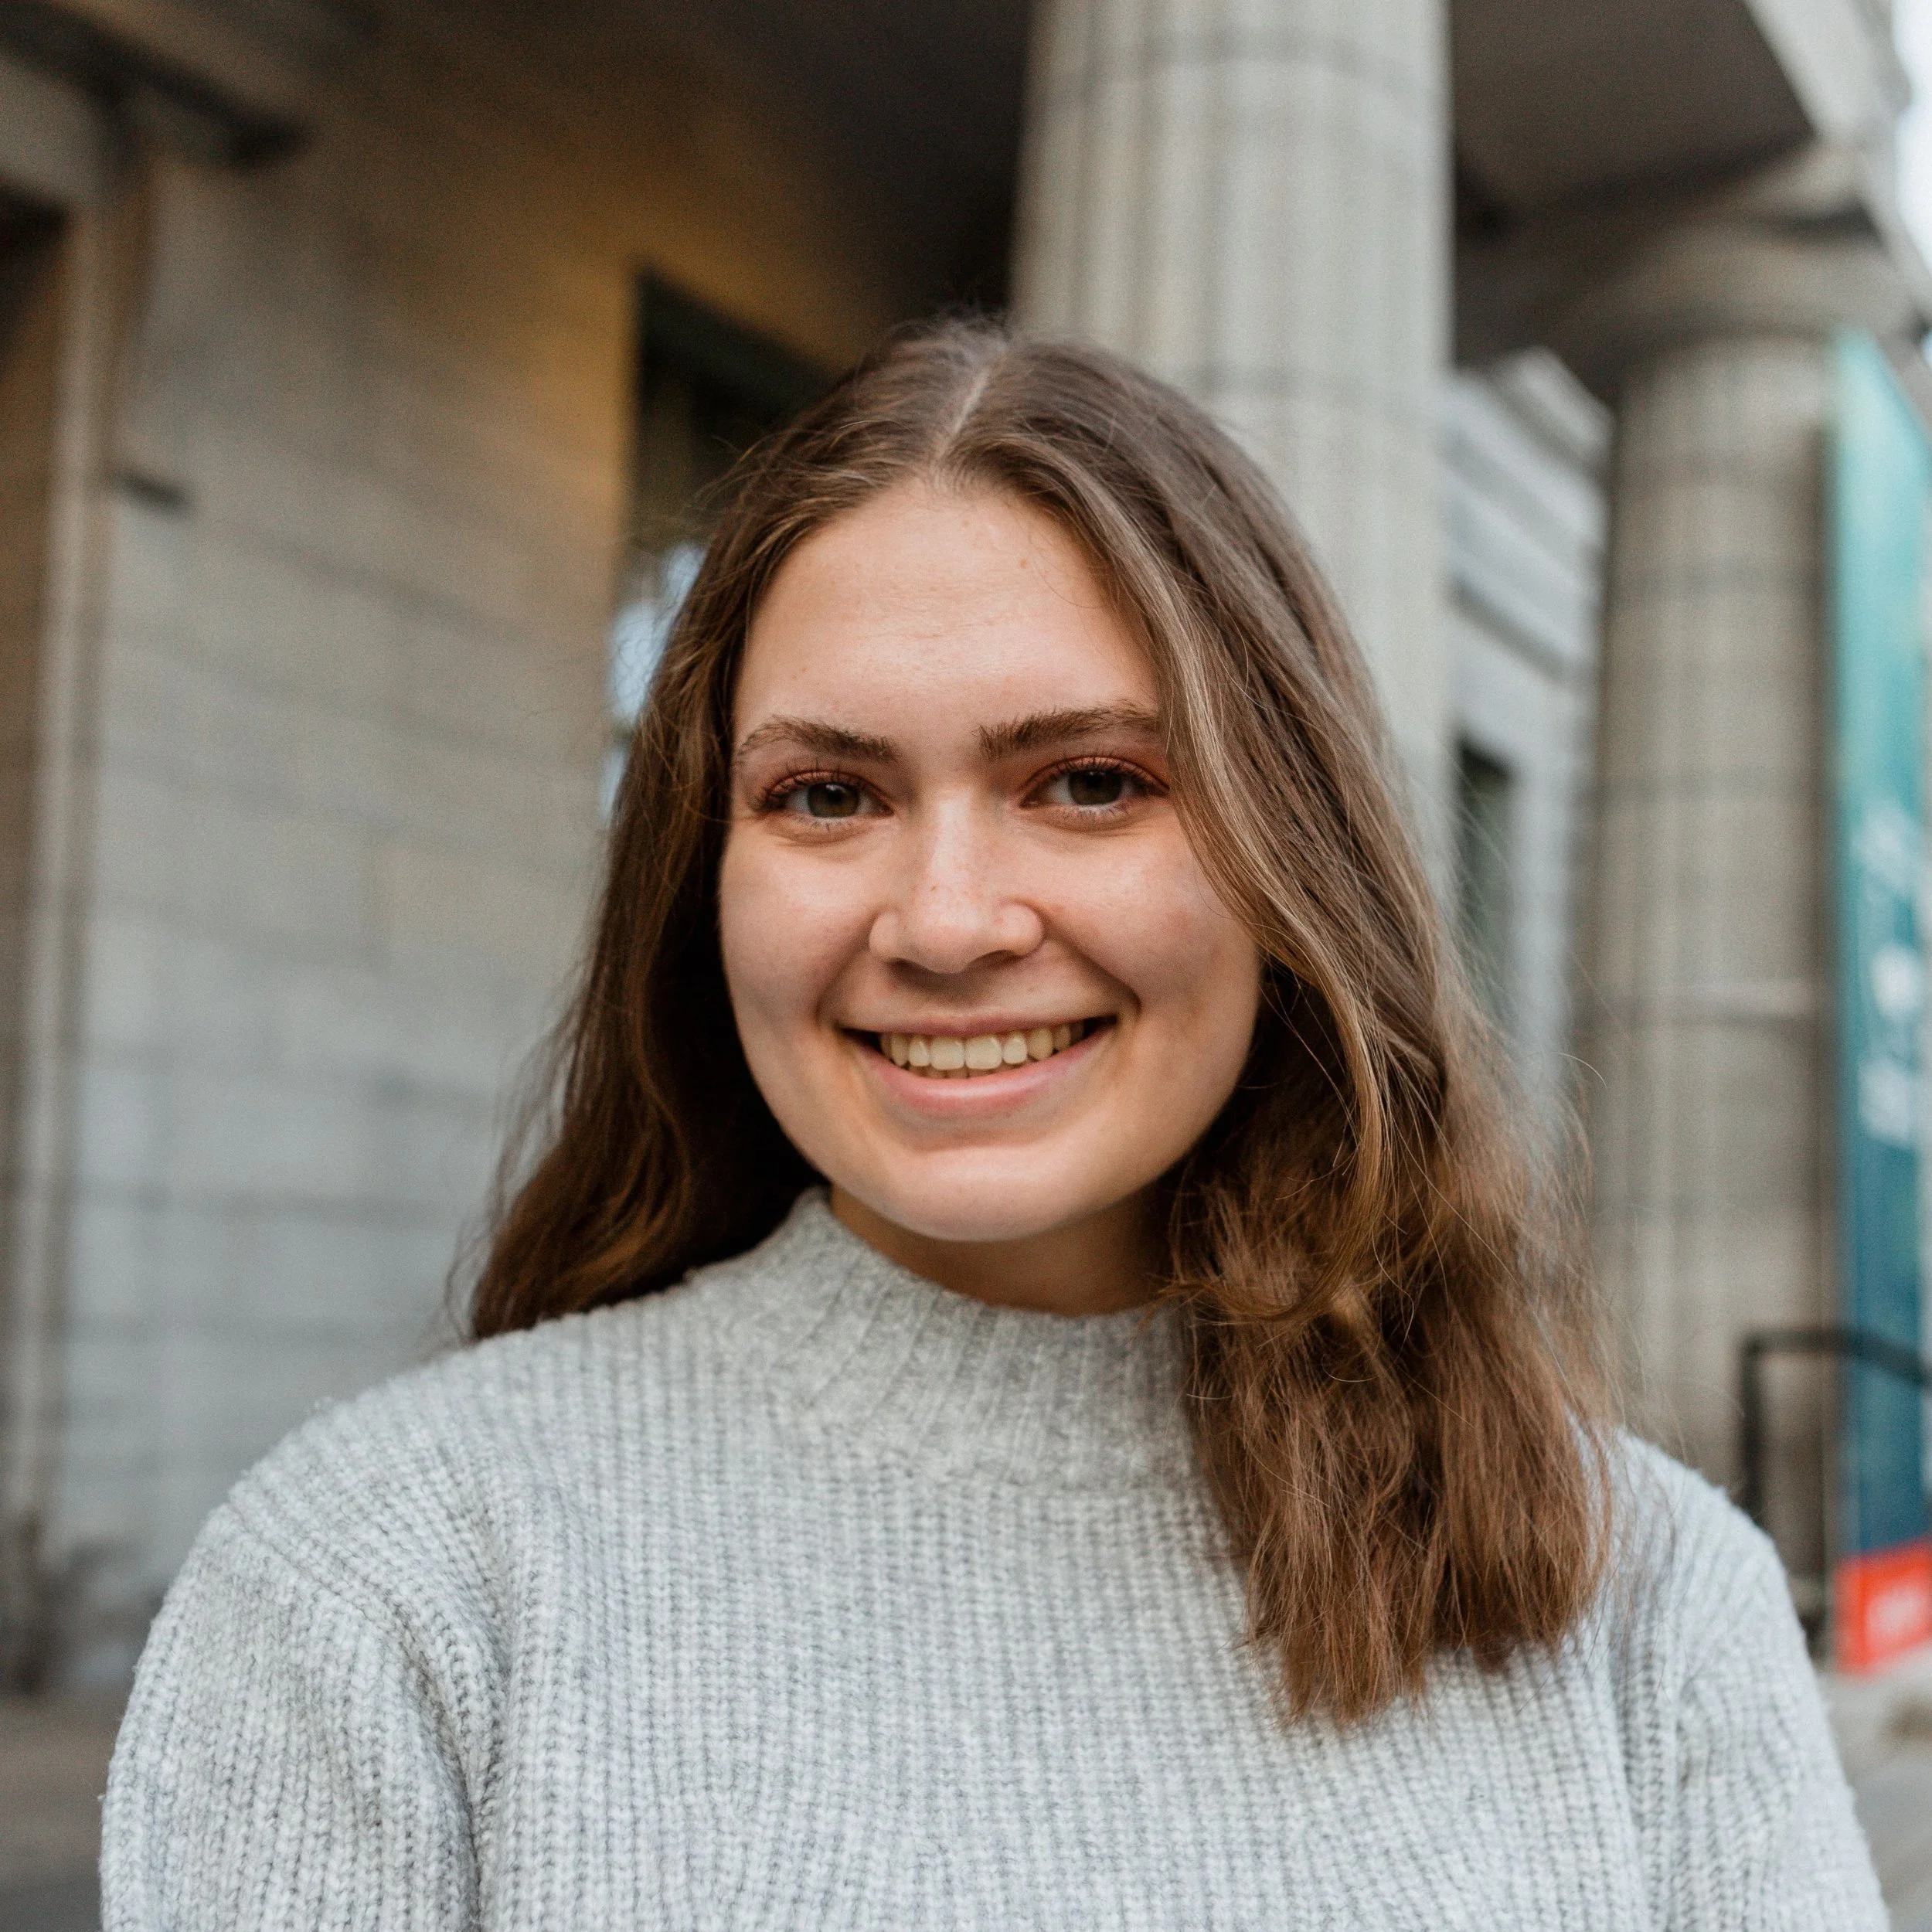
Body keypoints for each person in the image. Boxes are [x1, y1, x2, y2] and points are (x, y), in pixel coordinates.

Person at [102, 321, 1882, 1930]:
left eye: (1088, 780)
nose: (945, 919)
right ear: (701, 872)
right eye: (825, 792)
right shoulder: (389, 1579)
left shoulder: (1639, 1603)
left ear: (1290, 856)